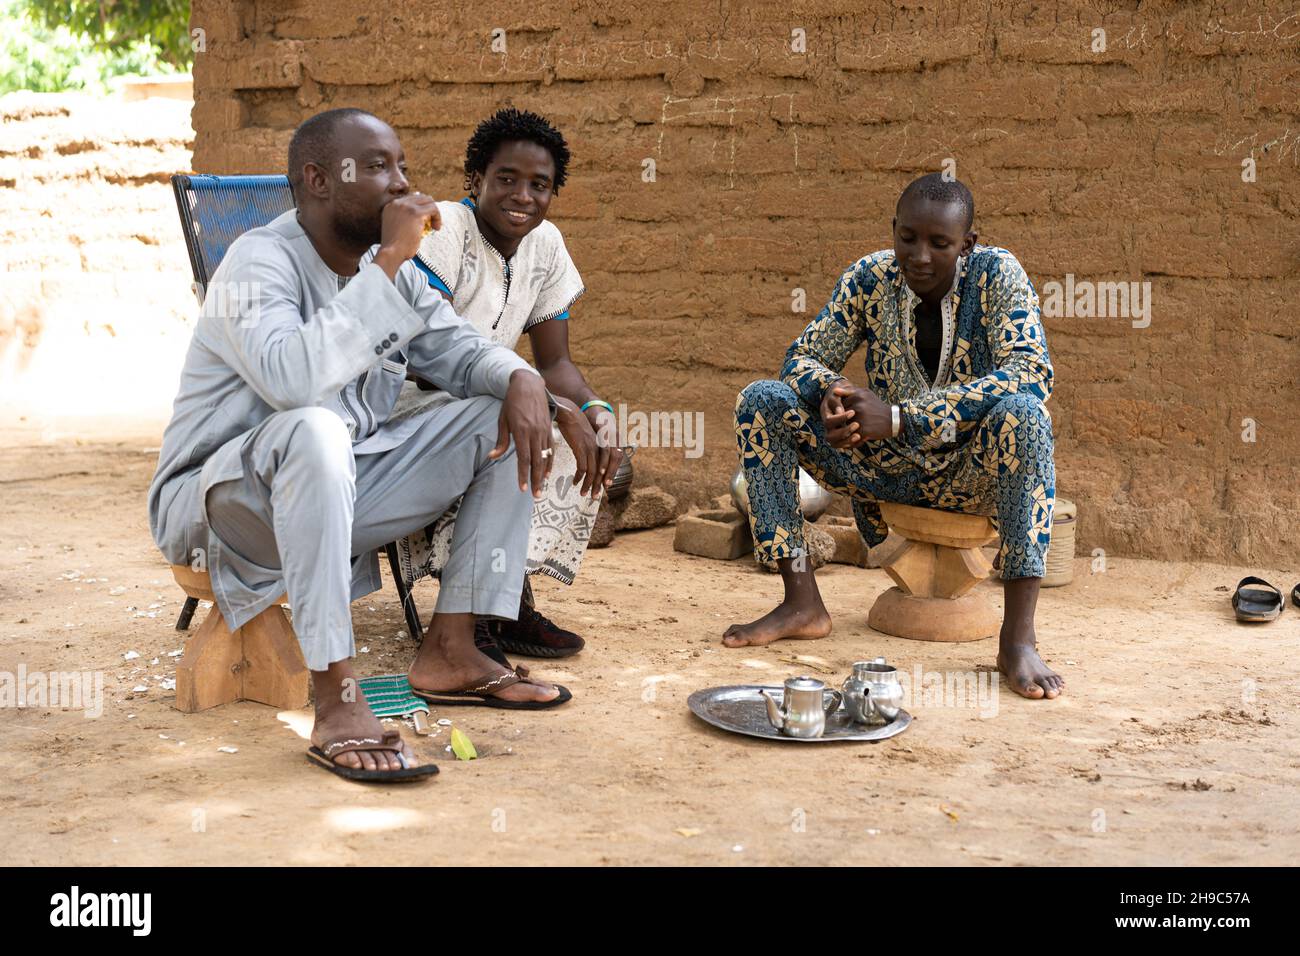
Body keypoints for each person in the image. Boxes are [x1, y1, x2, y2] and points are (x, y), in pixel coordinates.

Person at [147, 108, 573, 783]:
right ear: (318, 180)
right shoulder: (257, 263)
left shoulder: (390, 274)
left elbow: (459, 351)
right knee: (313, 429)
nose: (402, 185)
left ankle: (454, 647)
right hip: (222, 508)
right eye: (378, 167)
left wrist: (523, 377)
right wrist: (395, 259)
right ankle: (337, 699)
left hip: (337, 489)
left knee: (502, 408)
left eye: (401, 165)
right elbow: (295, 381)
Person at [726, 173, 1064, 700]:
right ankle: (801, 602)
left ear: (967, 244)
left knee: (1025, 415)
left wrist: (904, 417)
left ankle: (1017, 641)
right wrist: (832, 393)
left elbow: (1030, 373)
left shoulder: (998, 276)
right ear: (894, 231)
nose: (920, 256)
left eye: (940, 243)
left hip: (969, 477)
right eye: (907, 238)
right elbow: (802, 356)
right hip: (881, 469)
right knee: (762, 401)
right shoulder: (871, 278)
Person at [393, 108, 622, 662]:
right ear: (476, 180)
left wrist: (592, 406)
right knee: (512, 428)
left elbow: (556, 362)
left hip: (496, 398)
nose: (523, 196)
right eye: (507, 179)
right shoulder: (443, 231)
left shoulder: (546, 247)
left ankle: (506, 601)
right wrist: (545, 402)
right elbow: (429, 359)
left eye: (539, 185)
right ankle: (468, 617)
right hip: (409, 408)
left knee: (580, 435)